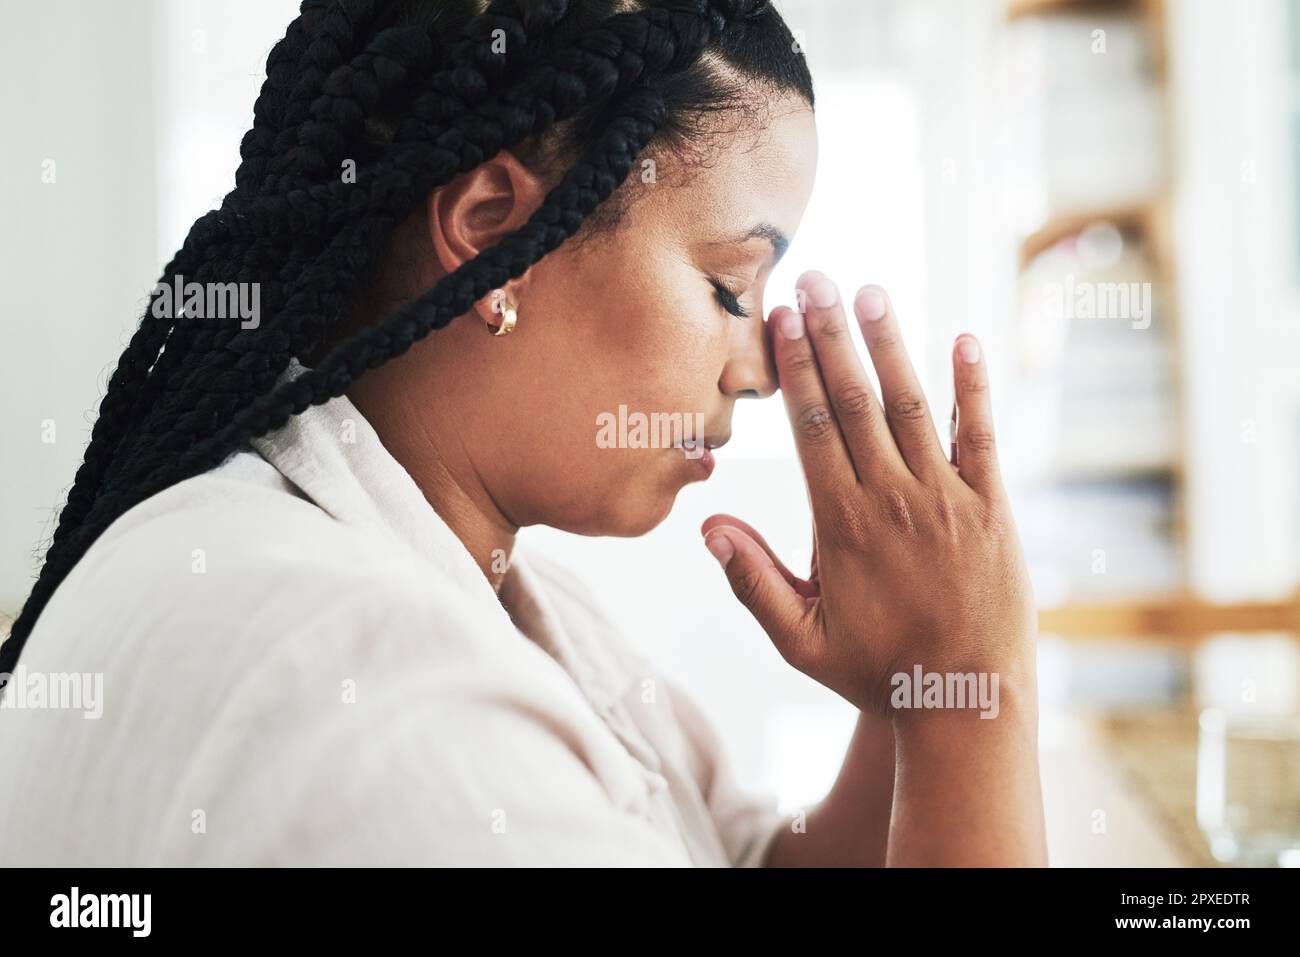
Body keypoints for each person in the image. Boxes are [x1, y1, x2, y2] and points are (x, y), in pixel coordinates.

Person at [0, 0, 1046, 866]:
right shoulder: (368, 692)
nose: (762, 365)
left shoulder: (471, 584)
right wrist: (977, 696)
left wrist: (919, 683)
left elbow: (741, 861)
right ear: (492, 234)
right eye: (730, 286)